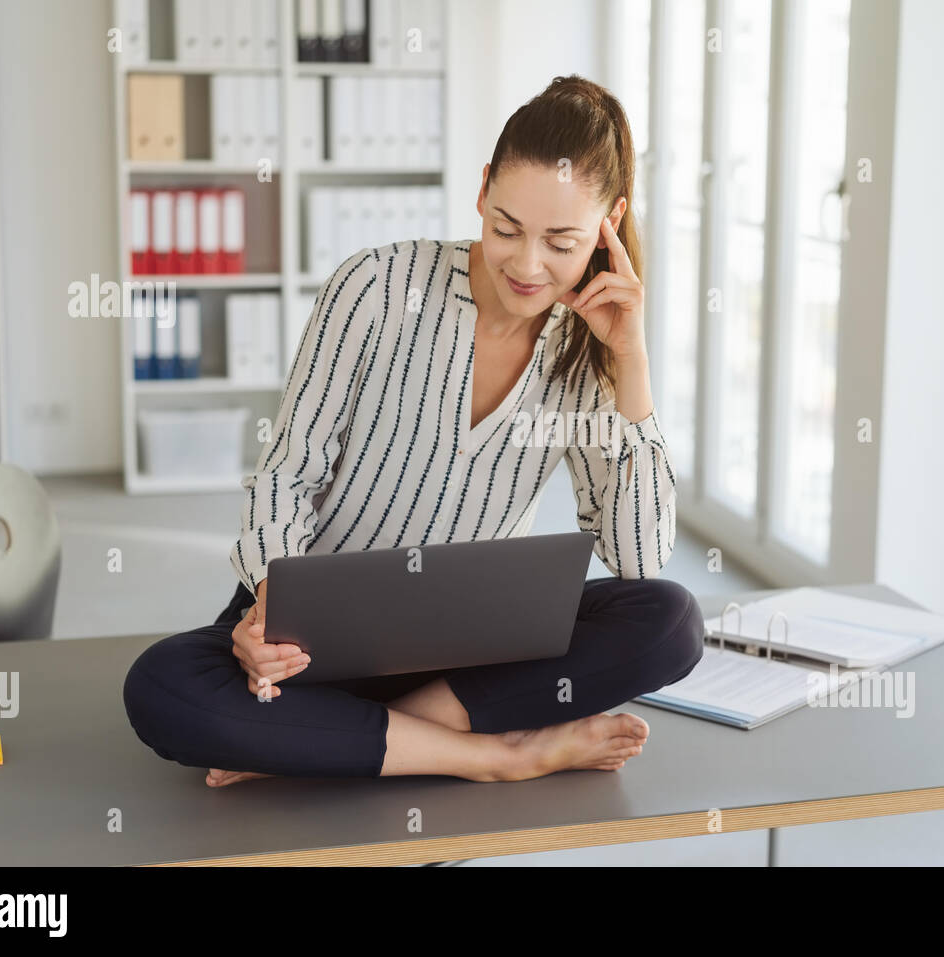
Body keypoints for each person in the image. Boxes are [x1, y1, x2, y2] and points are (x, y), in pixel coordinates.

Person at [123, 75, 704, 787]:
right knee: (161, 685)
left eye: (561, 242)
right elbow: (287, 472)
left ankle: (331, 740)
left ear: (610, 222)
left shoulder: (590, 348)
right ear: (483, 188)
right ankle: (496, 754)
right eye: (507, 227)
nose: (527, 265)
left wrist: (630, 365)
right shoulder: (375, 288)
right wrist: (271, 605)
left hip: (468, 655)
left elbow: (639, 557)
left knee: (672, 620)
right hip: (313, 642)